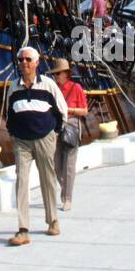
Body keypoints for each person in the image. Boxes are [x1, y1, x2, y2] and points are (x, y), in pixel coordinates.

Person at [6, 46, 68, 246]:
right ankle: (23, 229)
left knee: (47, 179)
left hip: (44, 138)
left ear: (36, 63)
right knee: (21, 181)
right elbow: (9, 114)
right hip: (22, 141)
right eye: (21, 59)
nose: (23, 63)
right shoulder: (13, 87)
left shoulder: (48, 84)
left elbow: (61, 110)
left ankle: (53, 221)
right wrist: (14, 133)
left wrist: (54, 133)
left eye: (28, 59)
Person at [50, 58, 88, 211]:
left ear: (66, 74)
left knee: (69, 166)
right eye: (55, 74)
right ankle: (65, 190)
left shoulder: (76, 88)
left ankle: (67, 198)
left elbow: (84, 110)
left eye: (58, 73)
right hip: (56, 127)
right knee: (56, 165)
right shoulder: (53, 89)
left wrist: (68, 110)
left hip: (71, 127)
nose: (56, 76)